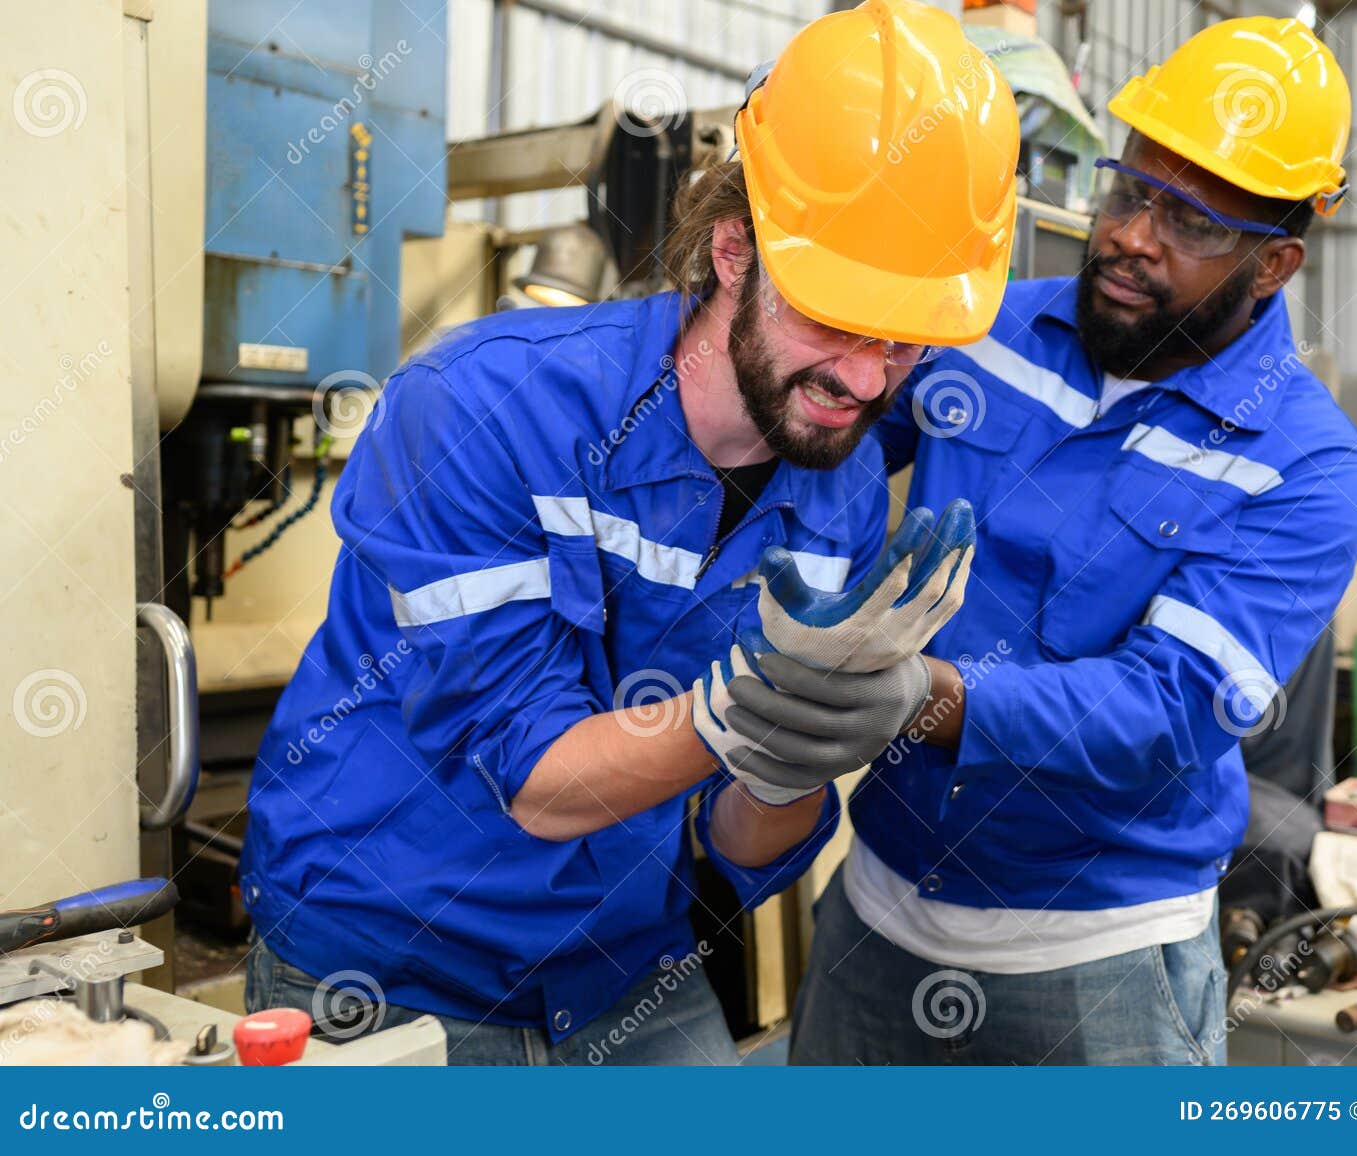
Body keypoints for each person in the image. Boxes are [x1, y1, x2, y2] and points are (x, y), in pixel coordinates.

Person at [238, 0, 1019, 1066]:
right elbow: (540, 780)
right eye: (835, 318)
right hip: (386, 975)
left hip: (621, 971)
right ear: (735, 252)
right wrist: (751, 709)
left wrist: (809, 750)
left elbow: (740, 842)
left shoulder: (835, 489)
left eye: (907, 341)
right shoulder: (480, 408)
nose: (865, 378)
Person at [776, 16, 1357, 1065]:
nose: (1133, 236)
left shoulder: (1304, 465)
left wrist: (922, 696)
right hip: (874, 921)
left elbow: (1168, 710)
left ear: (1274, 263)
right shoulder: (982, 331)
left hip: (1101, 968)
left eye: (1190, 223)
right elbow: (823, 448)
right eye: (1129, 190)